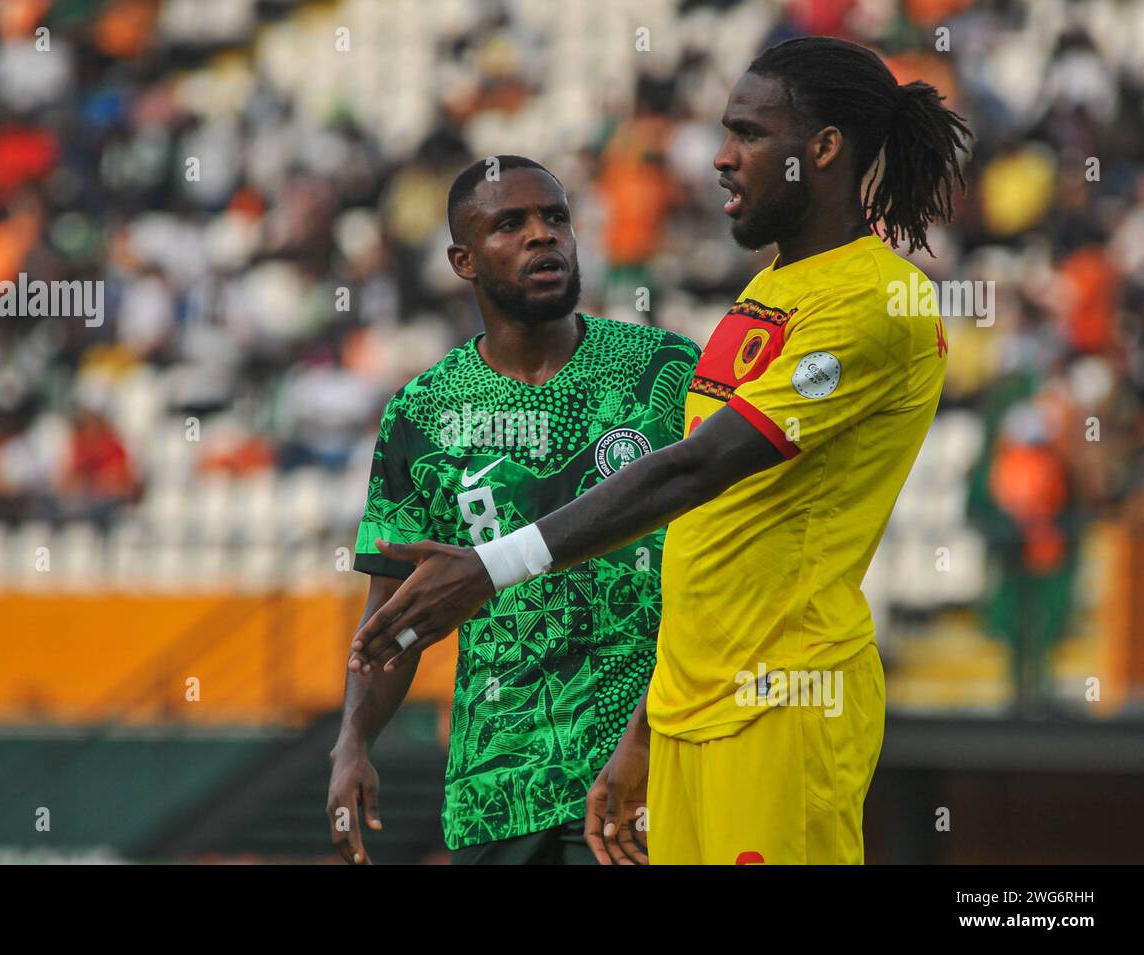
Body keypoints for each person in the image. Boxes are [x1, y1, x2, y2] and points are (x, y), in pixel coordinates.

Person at [348, 37, 972, 865]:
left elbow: (697, 468)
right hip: (684, 707)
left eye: (748, 134)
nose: (719, 158)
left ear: (820, 150)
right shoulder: (774, 288)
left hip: (782, 694)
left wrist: (492, 565)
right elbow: (704, 533)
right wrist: (649, 727)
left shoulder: (879, 300)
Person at [327, 155, 699, 864]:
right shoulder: (423, 412)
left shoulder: (667, 374)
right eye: (510, 224)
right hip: (498, 788)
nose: (542, 236)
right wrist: (352, 741)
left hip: (647, 774)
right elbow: (392, 615)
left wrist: (653, 736)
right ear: (463, 260)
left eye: (554, 218)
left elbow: (725, 555)